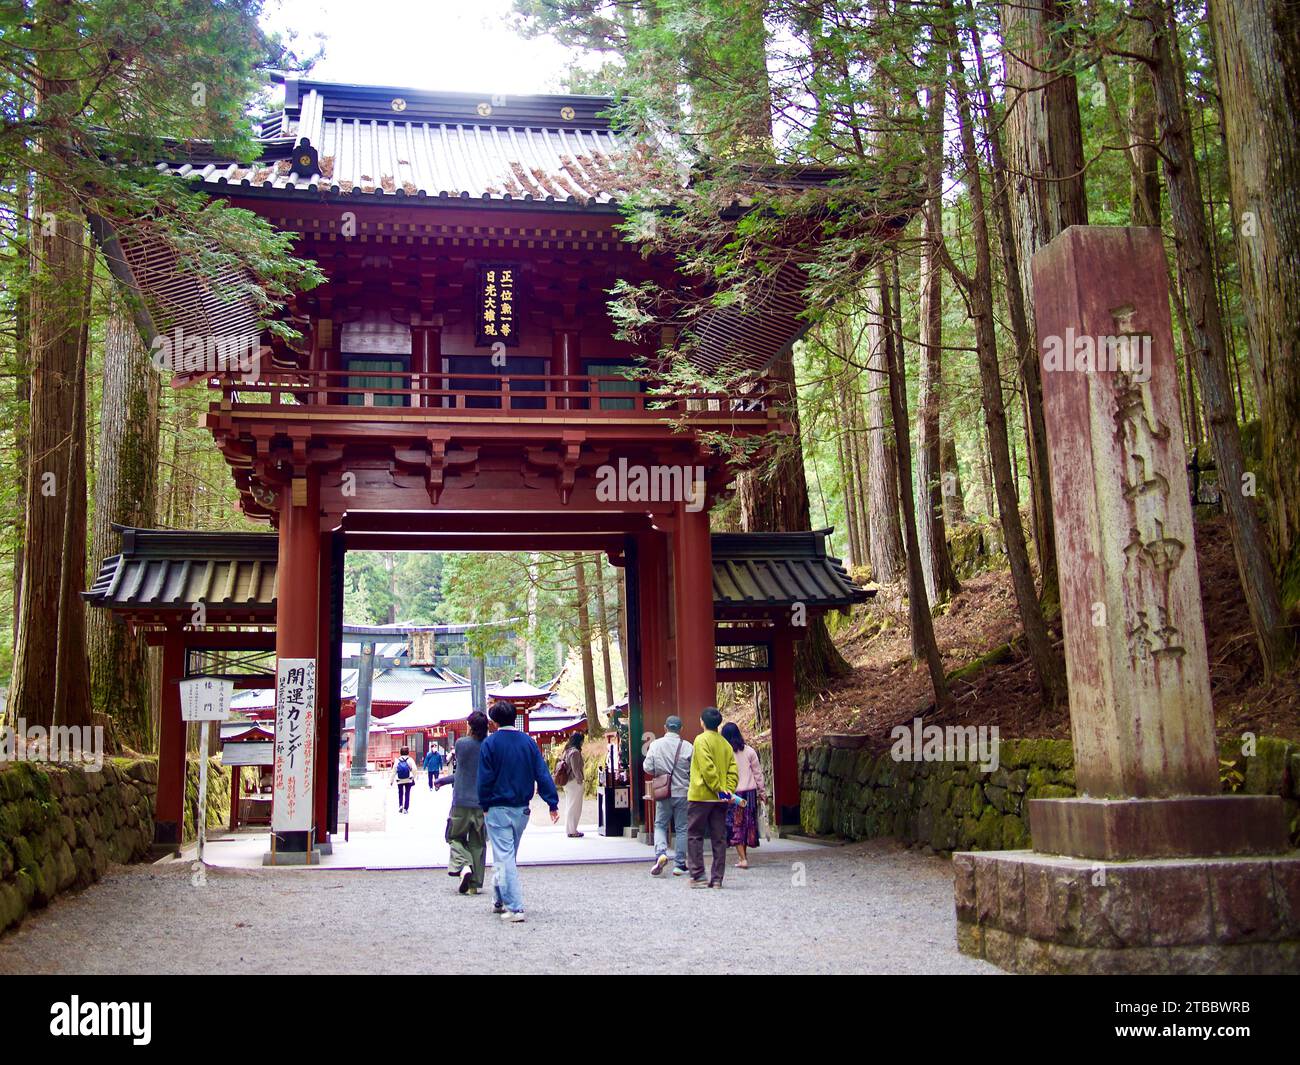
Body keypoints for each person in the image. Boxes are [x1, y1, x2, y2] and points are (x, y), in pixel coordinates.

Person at [477, 701, 559, 923]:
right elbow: (541, 773)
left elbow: (485, 778)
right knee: (508, 856)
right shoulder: (528, 743)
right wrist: (552, 802)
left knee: (504, 857)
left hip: (496, 808)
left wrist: (483, 804)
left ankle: (515, 907)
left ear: (494, 721)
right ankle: (498, 899)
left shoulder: (490, 743)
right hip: (521, 809)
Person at [434, 711, 488, 895]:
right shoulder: (488, 746)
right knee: (478, 843)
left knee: (454, 837)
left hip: (461, 801)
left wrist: (443, 780)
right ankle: (473, 885)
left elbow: (462, 772)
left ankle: (464, 865)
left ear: (470, 726)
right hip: (482, 803)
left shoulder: (461, 744)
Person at [685, 707, 738, 889]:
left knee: (694, 835)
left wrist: (717, 789)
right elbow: (733, 770)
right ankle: (717, 879)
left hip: (701, 796)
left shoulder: (700, 740)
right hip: (721, 799)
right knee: (719, 838)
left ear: (702, 722)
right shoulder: (725, 744)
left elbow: (708, 769)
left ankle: (698, 876)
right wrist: (727, 791)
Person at [644, 715, 693, 876]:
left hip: (663, 792)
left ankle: (661, 853)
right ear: (681, 729)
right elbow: (693, 770)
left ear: (665, 728)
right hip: (682, 792)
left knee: (660, 825)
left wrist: (659, 772)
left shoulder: (656, 745)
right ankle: (679, 864)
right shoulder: (688, 747)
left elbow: (648, 767)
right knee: (682, 828)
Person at [720, 722, 766, 869]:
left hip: (733, 793)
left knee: (735, 825)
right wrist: (762, 792)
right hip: (750, 793)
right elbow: (758, 774)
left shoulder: (723, 753)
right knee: (747, 824)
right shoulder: (750, 751)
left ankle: (743, 859)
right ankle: (742, 857)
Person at [559, 732, 586, 837]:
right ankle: (572, 830)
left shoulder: (567, 751)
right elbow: (576, 769)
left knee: (570, 805)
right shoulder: (575, 752)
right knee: (575, 806)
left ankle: (570, 829)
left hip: (567, 782)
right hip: (574, 782)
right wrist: (581, 781)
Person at [391, 746, 416, 814]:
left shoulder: (397, 760)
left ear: (400, 752)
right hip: (408, 779)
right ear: (408, 752)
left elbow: (393, 772)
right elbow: (414, 769)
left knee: (400, 793)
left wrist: (391, 781)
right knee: (407, 793)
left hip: (399, 779)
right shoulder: (410, 760)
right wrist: (413, 777)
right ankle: (405, 809)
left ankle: (400, 806)